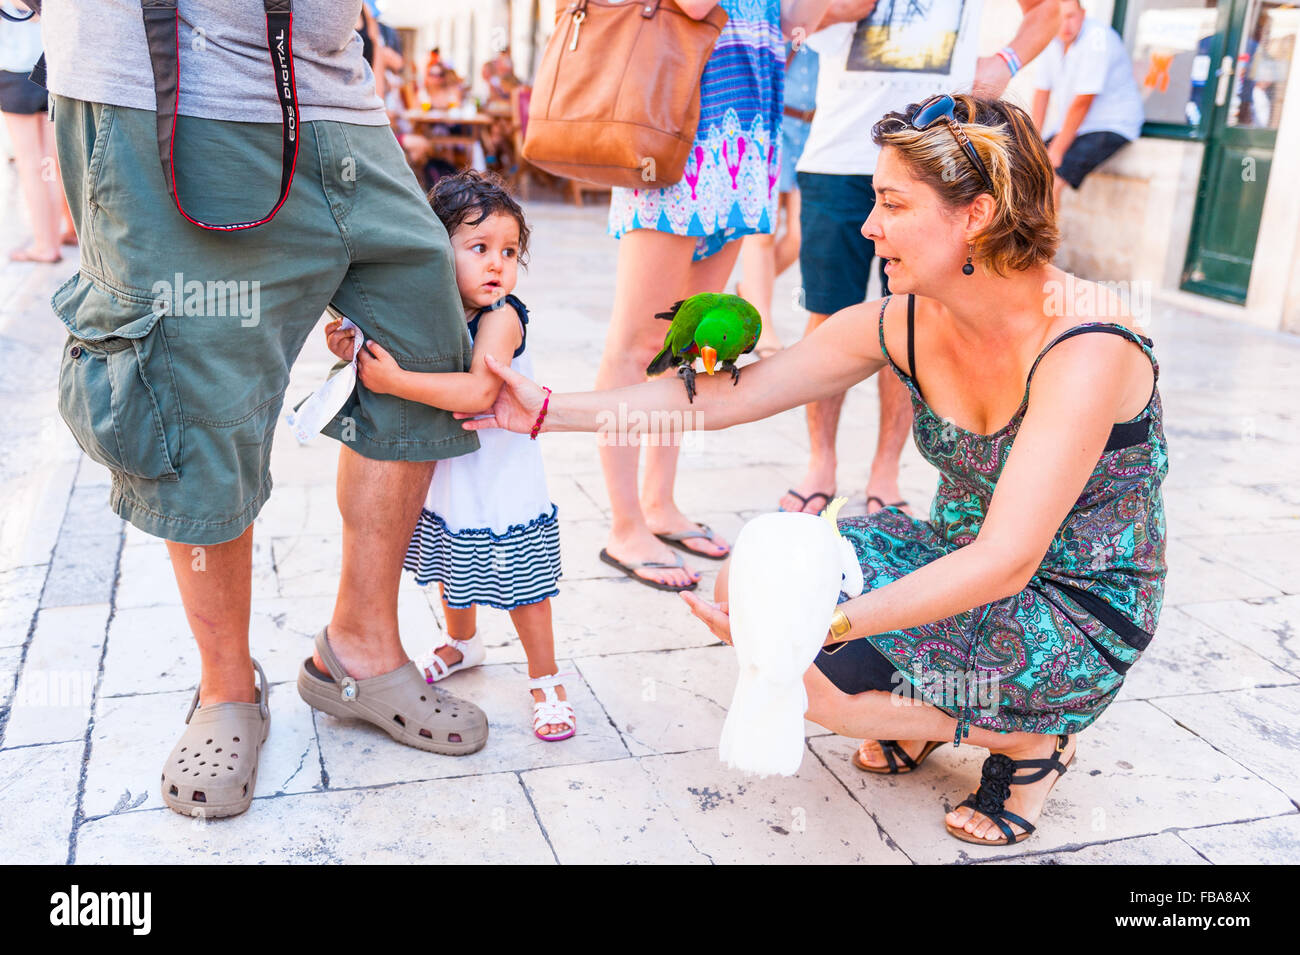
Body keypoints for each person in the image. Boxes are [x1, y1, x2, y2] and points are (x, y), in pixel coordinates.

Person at [462, 94, 1168, 847]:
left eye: (892, 204)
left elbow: (1007, 559)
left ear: (977, 215)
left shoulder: (1088, 342)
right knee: (749, 580)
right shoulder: (903, 319)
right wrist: (545, 410)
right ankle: (944, 707)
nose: (870, 226)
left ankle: (1029, 742)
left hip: (1072, 611)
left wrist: (820, 622)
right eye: (873, 201)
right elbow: (732, 397)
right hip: (955, 564)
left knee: (815, 679)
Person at [39, 0, 488, 819]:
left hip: (336, 94)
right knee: (192, 391)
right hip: (161, 86)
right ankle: (225, 687)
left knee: (423, 343)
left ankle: (359, 649)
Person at [779, 0, 1059, 524]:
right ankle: (820, 464)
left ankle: (886, 471)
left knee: (915, 323)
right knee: (825, 317)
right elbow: (794, 23)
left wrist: (1006, 61)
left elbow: (1051, 10)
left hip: (938, 170)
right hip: (837, 156)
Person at [324, 171, 573, 742]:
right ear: (438, 253)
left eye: (509, 252)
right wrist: (345, 341)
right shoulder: (431, 311)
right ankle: (462, 642)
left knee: (522, 581)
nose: (497, 265)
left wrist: (394, 383)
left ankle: (546, 678)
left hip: (501, 474)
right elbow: (362, 337)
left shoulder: (502, 317)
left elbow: (478, 393)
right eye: (478, 249)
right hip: (452, 468)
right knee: (452, 563)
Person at [599, 0, 836, 592]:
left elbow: (795, 21)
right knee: (636, 345)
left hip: (745, 138)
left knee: (691, 340)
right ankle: (625, 525)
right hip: (675, 129)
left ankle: (658, 503)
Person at [734, 37, 820, 359]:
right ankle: (763, 327)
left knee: (801, 235)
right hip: (771, 124)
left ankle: (750, 294)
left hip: (812, 130)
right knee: (762, 233)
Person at [1031, 0, 1144, 210]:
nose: (1066, 25)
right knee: (1025, 174)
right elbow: (1041, 94)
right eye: (1060, 18)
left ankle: (1046, 243)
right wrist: (1032, 143)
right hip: (1075, 126)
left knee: (1053, 180)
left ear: (1083, 14)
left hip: (1111, 123)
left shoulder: (1098, 39)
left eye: (1071, 16)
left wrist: (1056, 150)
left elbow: (1083, 102)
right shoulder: (1050, 40)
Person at [0, 2, 73, 262]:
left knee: (32, 164)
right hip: (53, 64)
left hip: (15, 71)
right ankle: (72, 229)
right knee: (55, 160)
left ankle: (45, 245)